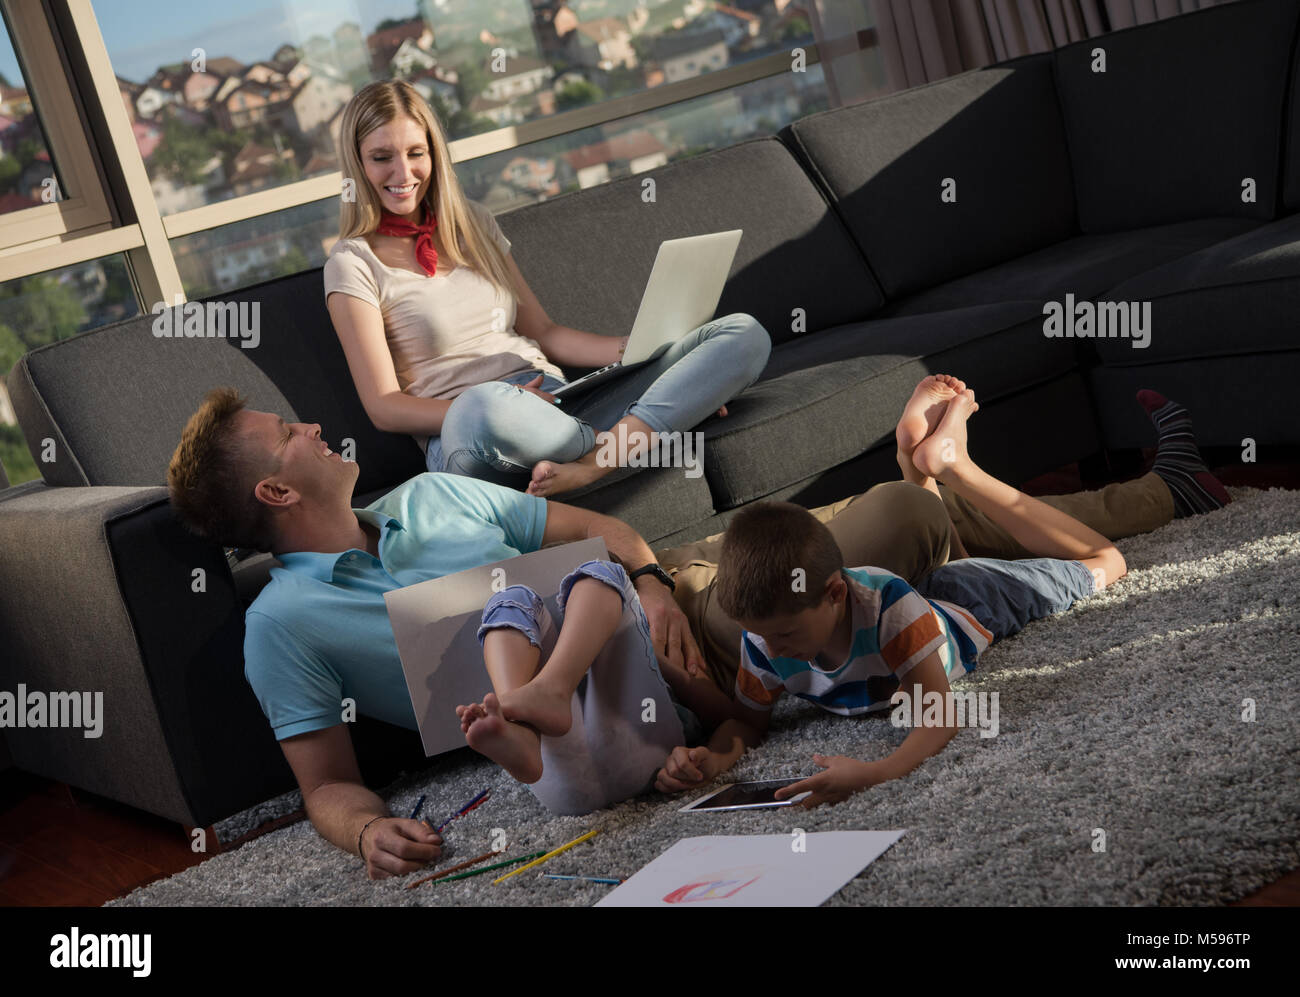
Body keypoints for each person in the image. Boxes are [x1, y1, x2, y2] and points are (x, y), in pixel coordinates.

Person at [167, 387, 707, 879]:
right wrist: (366, 831)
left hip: (656, 598)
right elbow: (325, 783)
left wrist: (654, 587)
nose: (312, 427)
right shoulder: (280, 625)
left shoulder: (434, 494)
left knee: (767, 576)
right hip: (590, 721)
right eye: (288, 434)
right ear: (278, 491)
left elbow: (597, 528)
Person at [653, 380, 1131, 806]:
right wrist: (712, 758)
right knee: (948, 563)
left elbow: (941, 716)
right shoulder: (764, 637)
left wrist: (875, 774)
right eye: (762, 638)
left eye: (785, 635)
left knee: (1106, 561)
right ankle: (918, 463)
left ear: (836, 593)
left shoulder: (888, 609)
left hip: (969, 602)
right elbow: (748, 724)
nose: (772, 651)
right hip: (919, 607)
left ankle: (956, 466)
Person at [323, 80, 770, 498]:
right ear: (358, 165)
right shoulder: (352, 262)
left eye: (415, 152)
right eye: (382, 157)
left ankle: (597, 459)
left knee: (741, 333)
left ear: (434, 155)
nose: (403, 171)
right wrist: (509, 402)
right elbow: (384, 407)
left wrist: (633, 349)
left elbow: (545, 332)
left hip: (560, 404)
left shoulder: (473, 224)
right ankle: (644, 430)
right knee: (483, 408)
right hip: (471, 432)